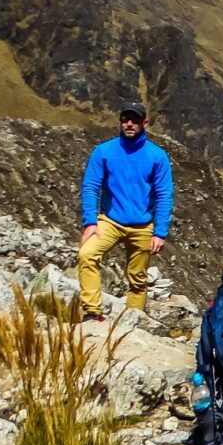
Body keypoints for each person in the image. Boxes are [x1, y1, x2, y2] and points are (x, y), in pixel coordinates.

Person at [79, 101, 174, 321]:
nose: (129, 124)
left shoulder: (157, 156)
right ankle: (92, 311)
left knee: (138, 278)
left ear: (144, 122)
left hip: (143, 225)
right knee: (87, 254)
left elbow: (164, 194)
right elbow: (91, 186)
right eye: (125, 119)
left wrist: (160, 232)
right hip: (109, 221)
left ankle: (135, 320)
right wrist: (90, 222)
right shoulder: (103, 151)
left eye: (134, 120)